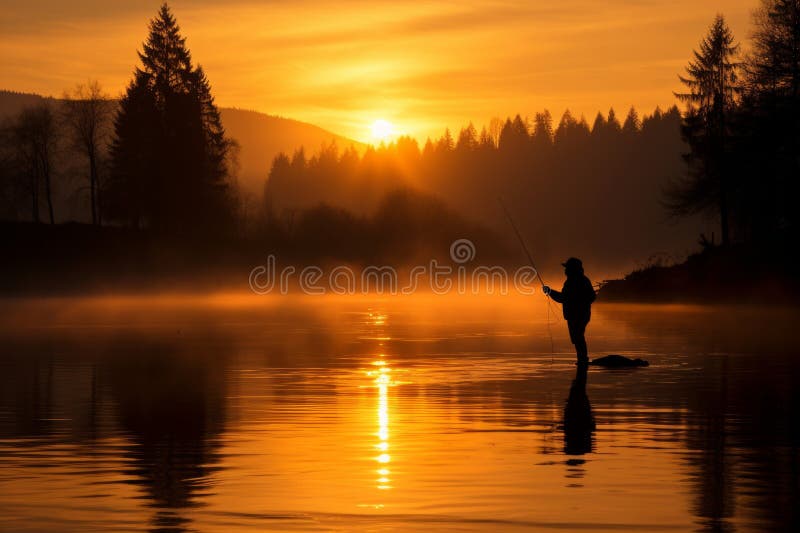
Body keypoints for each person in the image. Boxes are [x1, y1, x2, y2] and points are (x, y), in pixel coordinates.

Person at [543, 257, 596, 365]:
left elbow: (563, 298)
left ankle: (582, 360)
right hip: (581, 314)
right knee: (577, 337)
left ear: (572, 269)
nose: (565, 270)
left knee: (577, 337)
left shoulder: (572, 282)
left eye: (567, 268)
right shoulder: (583, 280)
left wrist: (550, 291)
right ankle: (582, 359)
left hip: (577, 315)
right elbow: (592, 297)